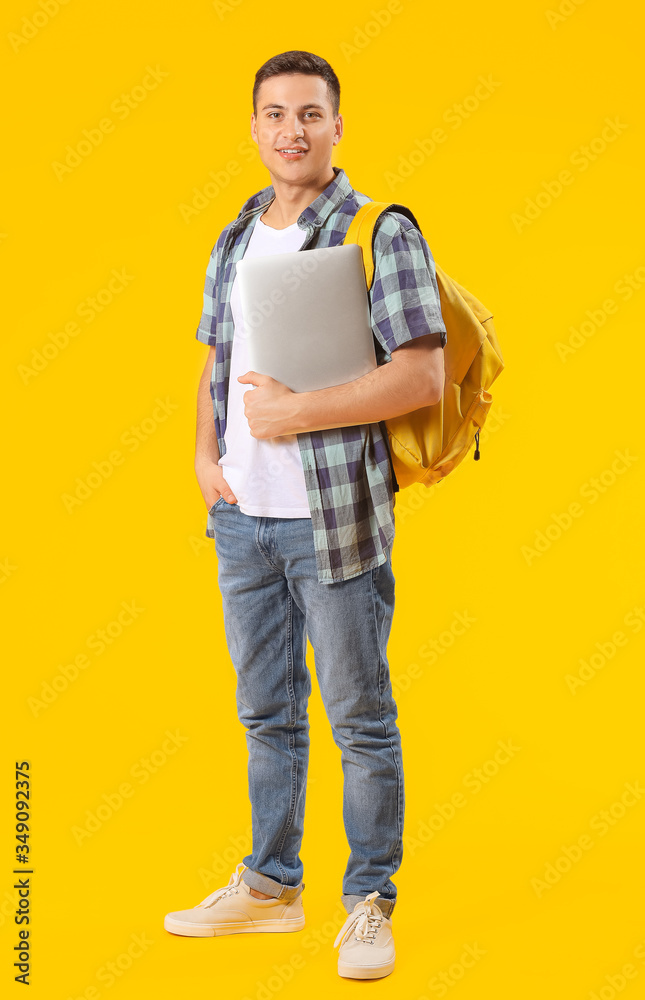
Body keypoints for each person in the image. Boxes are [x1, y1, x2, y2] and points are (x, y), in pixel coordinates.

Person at [164, 50, 446, 981]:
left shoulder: (376, 230)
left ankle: (369, 900)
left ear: (336, 126)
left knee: (358, 716)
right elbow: (215, 355)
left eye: (311, 114)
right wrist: (207, 460)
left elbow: (420, 373)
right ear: (253, 128)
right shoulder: (236, 234)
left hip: (335, 520)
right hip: (244, 521)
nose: (292, 129)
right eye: (275, 114)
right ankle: (270, 886)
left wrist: (296, 414)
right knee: (265, 713)